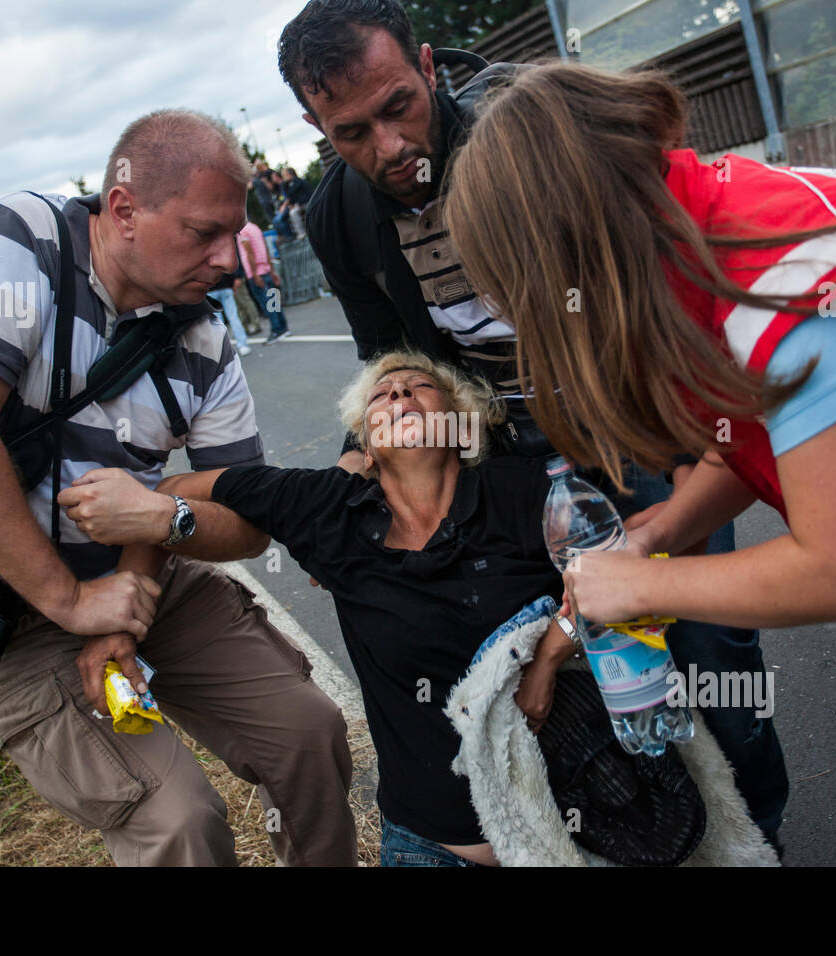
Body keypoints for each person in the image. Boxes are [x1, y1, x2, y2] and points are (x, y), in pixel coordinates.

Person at [443, 61, 836, 866]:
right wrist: (661, 530)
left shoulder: (785, 282)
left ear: (564, 243)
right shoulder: (690, 229)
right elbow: (775, 437)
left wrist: (639, 584)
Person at [277, 0, 789, 846]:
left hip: (636, 428)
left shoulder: (529, 127)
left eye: (399, 105)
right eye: (350, 131)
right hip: (517, 469)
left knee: (702, 657)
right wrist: (352, 475)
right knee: (570, 678)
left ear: (430, 65)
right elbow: (391, 352)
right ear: (314, 125)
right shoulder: (338, 215)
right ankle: (654, 845)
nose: (388, 147)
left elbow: (658, 277)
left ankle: (760, 841)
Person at [0, 109, 356, 867]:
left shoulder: (203, 335)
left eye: (232, 235)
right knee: (176, 819)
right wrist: (74, 605)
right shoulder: (14, 244)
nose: (230, 261)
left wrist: (150, 545)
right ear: (123, 210)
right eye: (205, 233)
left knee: (307, 730)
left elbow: (241, 521)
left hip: (131, 578)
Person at [146, 351, 577, 866]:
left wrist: (550, 655)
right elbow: (173, 490)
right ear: (367, 449)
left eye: (419, 387)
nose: (398, 394)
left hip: (570, 823)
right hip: (428, 845)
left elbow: (613, 570)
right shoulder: (331, 510)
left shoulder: (521, 490)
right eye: (381, 394)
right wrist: (148, 567)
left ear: (462, 427)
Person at [237, 219, 290, 343]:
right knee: (274, 302)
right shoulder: (255, 227)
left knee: (267, 304)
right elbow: (266, 248)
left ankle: (276, 330)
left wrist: (255, 275)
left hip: (256, 272)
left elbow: (249, 253)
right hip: (266, 269)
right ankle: (283, 327)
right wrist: (271, 270)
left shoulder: (243, 231)